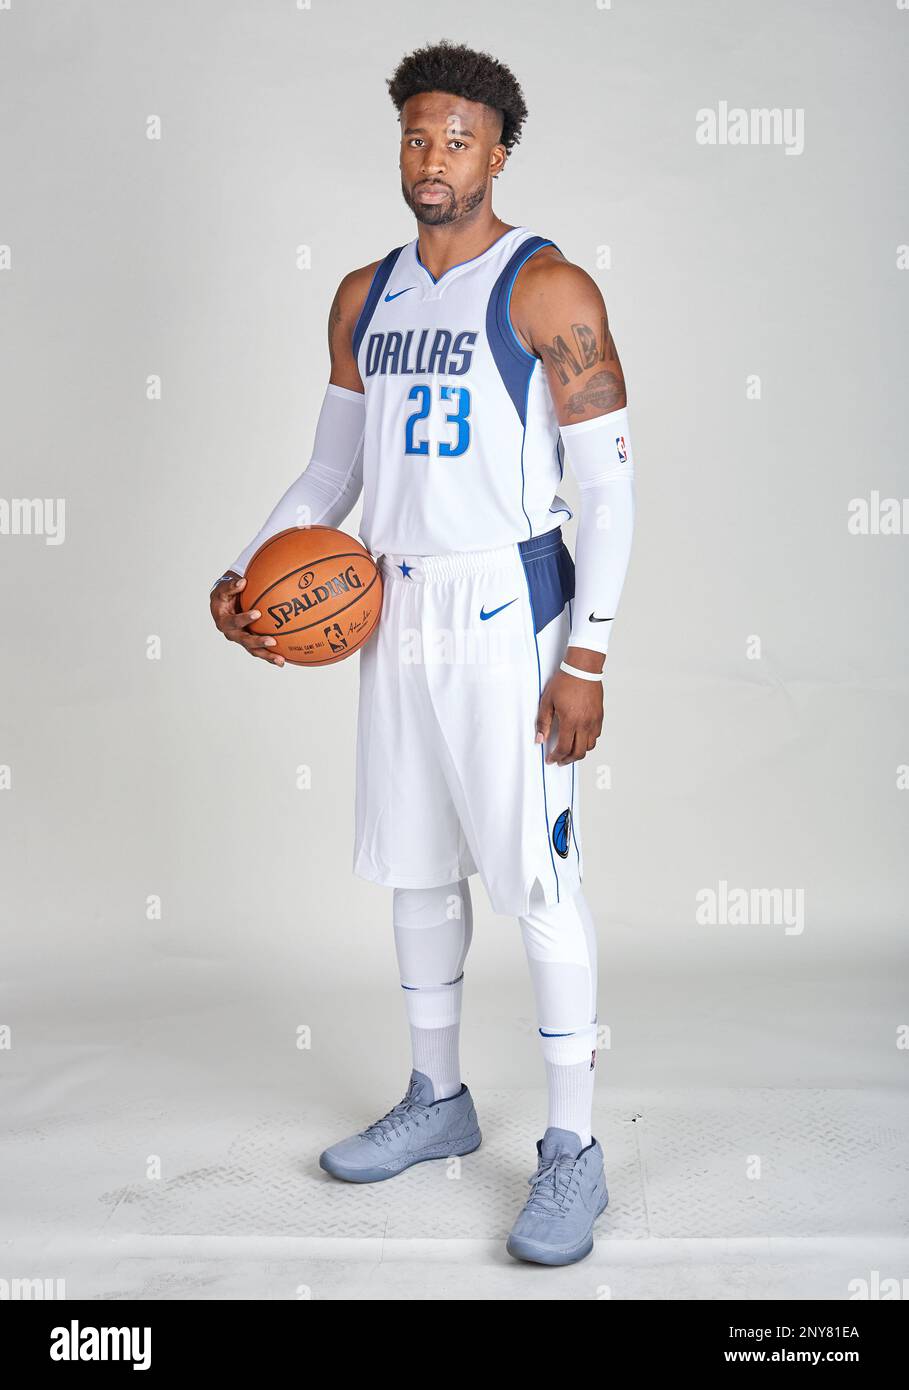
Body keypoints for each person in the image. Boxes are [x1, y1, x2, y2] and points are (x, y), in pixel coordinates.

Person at [210, 39, 635, 1267]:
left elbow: (607, 495)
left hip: (513, 603)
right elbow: (330, 473)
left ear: (499, 152)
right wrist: (252, 571)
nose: (431, 158)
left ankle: (571, 1149)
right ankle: (438, 1101)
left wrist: (589, 655)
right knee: (416, 867)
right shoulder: (363, 293)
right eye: (415, 136)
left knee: (539, 879)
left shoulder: (549, 291)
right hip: (394, 604)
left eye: (457, 139)